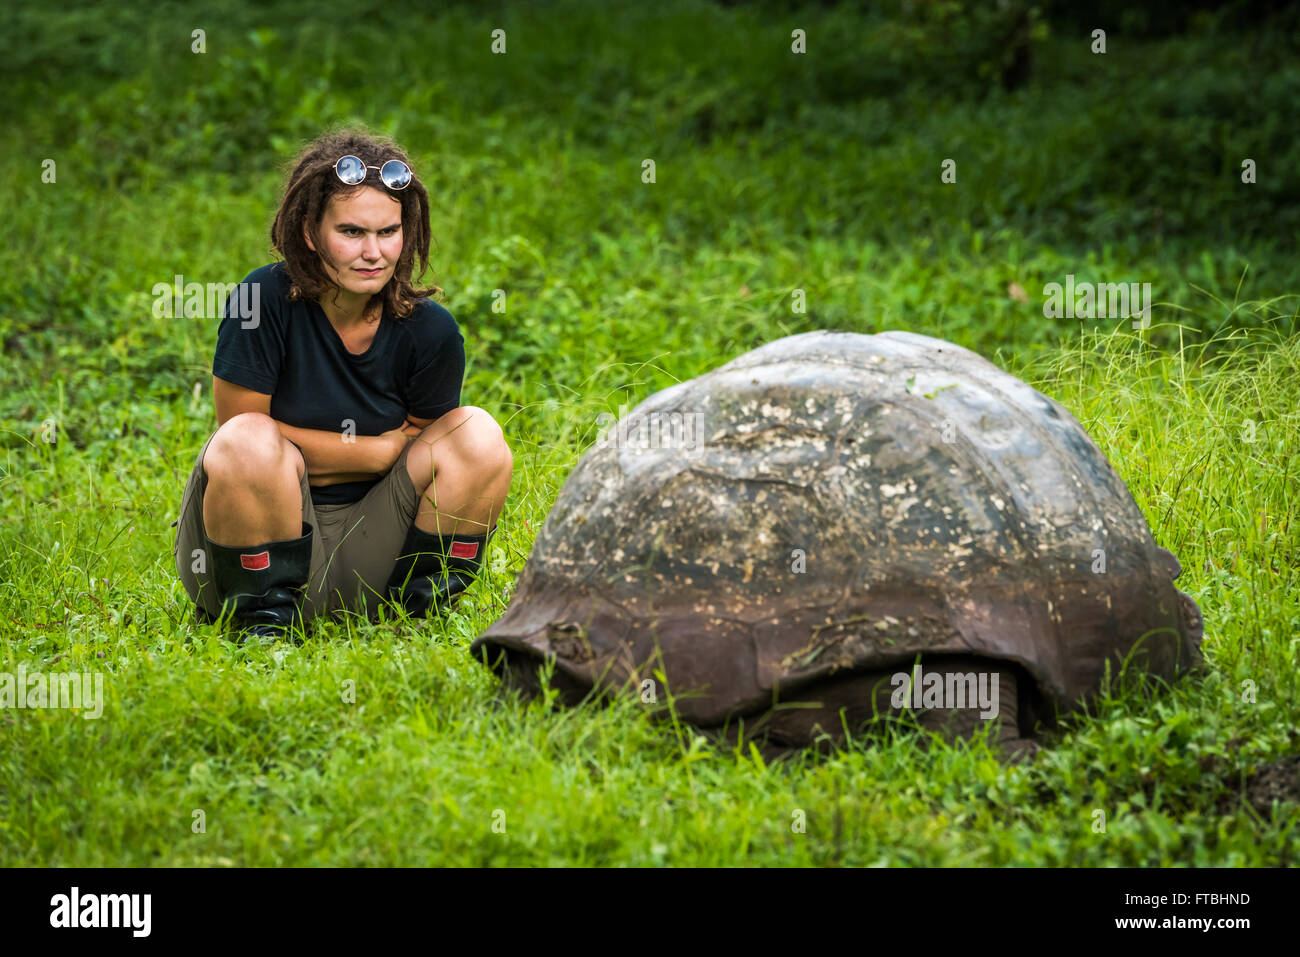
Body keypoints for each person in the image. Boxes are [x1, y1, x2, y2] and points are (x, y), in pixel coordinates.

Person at [172, 128, 513, 639]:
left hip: (371, 551)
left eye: (388, 232)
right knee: (248, 441)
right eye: (351, 232)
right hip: (254, 541)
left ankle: (414, 619)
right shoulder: (261, 300)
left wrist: (304, 445)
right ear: (310, 232)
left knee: (479, 436)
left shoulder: (431, 331)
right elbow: (243, 440)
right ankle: (261, 630)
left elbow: (431, 453)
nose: (373, 252)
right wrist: (377, 452)